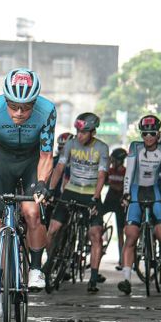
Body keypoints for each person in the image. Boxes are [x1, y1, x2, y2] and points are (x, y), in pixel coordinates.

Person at [0, 68, 56, 316]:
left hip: (31, 162)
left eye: (26, 107)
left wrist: (41, 182)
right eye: (14, 106)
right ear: (5, 100)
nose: (19, 113)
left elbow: (47, 155)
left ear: (34, 102)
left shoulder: (47, 110)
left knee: (32, 211)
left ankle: (36, 268)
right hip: (2, 164)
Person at [44, 112, 108, 293]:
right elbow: (59, 168)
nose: (79, 135)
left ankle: (93, 278)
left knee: (95, 234)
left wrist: (96, 198)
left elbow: (102, 175)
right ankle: (51, 261)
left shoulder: (102, 148)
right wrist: (50, 190)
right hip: (71, 190)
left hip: (90, 193)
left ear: (93, 132)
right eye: (78, 131)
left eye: (84, 132)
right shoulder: (71, 144)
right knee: (53, 229)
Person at [119, 115, 161, 293]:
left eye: (152, 133)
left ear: (158, 134)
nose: (148, 137)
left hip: (155, 191)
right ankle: (126, 279)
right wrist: (126, 193)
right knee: (131, 236)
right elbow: (129, 172)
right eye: (144, 134)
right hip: (136, 190)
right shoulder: (135, 147)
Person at [103, 147, 128, 263]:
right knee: (96, 219)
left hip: (120, 203)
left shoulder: (126, 172)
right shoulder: (110, 170)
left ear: (120, 160)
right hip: (109, 200)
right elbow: (103, 180)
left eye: (113, 160)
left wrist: (111, 184)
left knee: (120, 232)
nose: (112, 162)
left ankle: (122, 259)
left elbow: (120, 187)